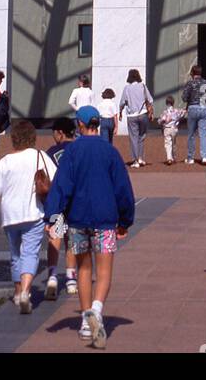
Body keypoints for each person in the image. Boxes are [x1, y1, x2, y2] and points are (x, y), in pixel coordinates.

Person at [42, 105, 136, 349]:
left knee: (84, 269)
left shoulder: (71, 153)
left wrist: (52, 218)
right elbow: (123, 189)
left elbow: (61, 187)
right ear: (97, 124)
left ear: (80, 125)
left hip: (77, 219)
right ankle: (97, 309)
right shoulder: (110, 152)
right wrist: (125, 220)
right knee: (104, 272)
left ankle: (85, 322)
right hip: (105, 219)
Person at [0, 119, 52, 314]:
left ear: (14, 138)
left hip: (10, 215)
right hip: (33, 213)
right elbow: (55, 179)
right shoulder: (40, 156)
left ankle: (17, 292)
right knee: (30, 253)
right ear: (33, 137)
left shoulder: (5, 161)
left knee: (15, 255)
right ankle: (26, 291)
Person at [44, 117, 78, 302]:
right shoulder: (80, 149)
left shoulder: (52, 152)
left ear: (60, 133)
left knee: (55, 237)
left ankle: (52, 275)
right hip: (76, 202)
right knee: (71, 239)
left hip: (57, 201)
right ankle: (71, 279)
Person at [120, 69, 155, 170]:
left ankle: (135, 160)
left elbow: (122, 102)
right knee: (141, 136)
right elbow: (150, 100)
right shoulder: (143, 86)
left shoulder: (127, 88)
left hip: (132, 115)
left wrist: (120, 112)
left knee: (133, 138)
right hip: (143, 113)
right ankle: (140, 157)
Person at [181, 65, 206, 165]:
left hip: (193, 108)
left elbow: (184, 98)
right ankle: (204, 157)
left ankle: (190, 157)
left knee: (191, 134)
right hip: (204, 108)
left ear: (192, 73)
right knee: (203, 134)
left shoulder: (190, 83)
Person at [159, 96, 186, 165]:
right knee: (173, 143)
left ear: (166, 103)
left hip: (167, 129)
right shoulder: (176, 111)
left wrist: (162, 122)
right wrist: (184, 109)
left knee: (168, 144)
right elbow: (182, 114)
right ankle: (173, 157)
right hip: (174, 129)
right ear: (173, 103)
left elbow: (160, 121)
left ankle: (169, 158)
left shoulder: (164, 112)